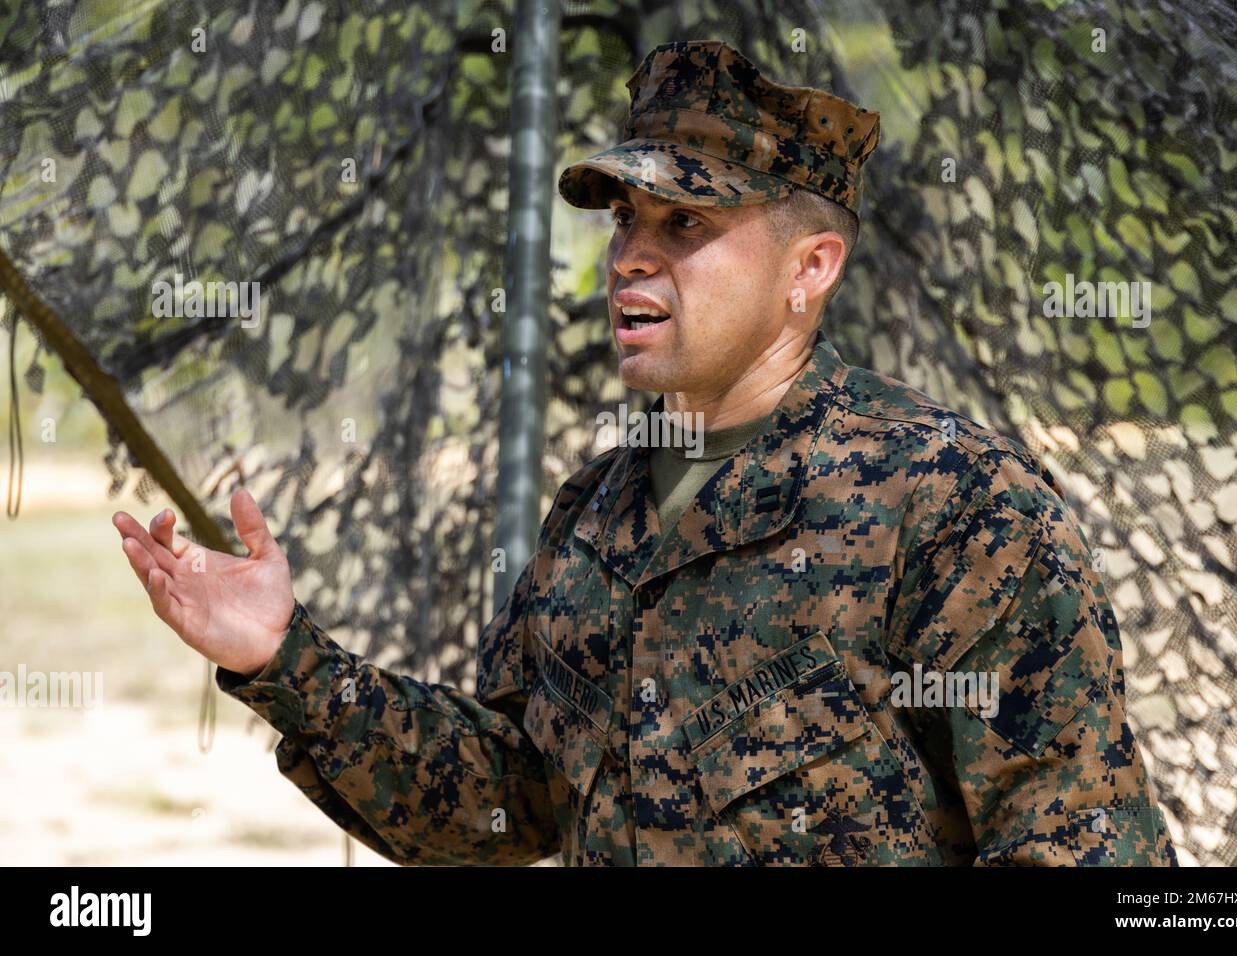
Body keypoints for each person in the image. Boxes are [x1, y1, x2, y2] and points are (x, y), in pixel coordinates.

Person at [113, 39, 1177, 866]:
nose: (630, 256)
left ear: (810, 267)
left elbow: (1070, 842)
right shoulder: (600, 509)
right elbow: (505, 797)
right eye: (626, 219)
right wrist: (286, 658)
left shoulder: (953, 505)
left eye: (684, 224)